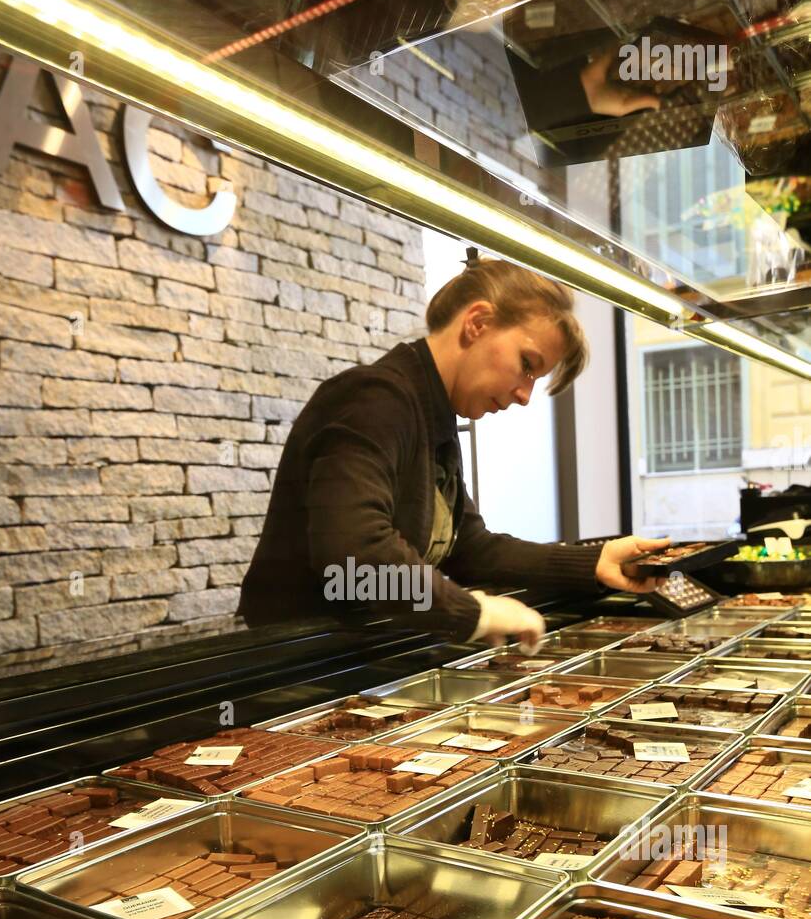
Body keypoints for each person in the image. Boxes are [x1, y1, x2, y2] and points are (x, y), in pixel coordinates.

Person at [239, 255, 668, 646]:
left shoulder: (434, 415)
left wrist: (592, 561)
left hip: (361, 654)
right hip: (300, 666)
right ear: (477, 323)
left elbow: (469, 547)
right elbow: (353, 559)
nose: (525, 396)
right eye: (526, 364)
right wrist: (473, 613)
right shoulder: (374, 399)